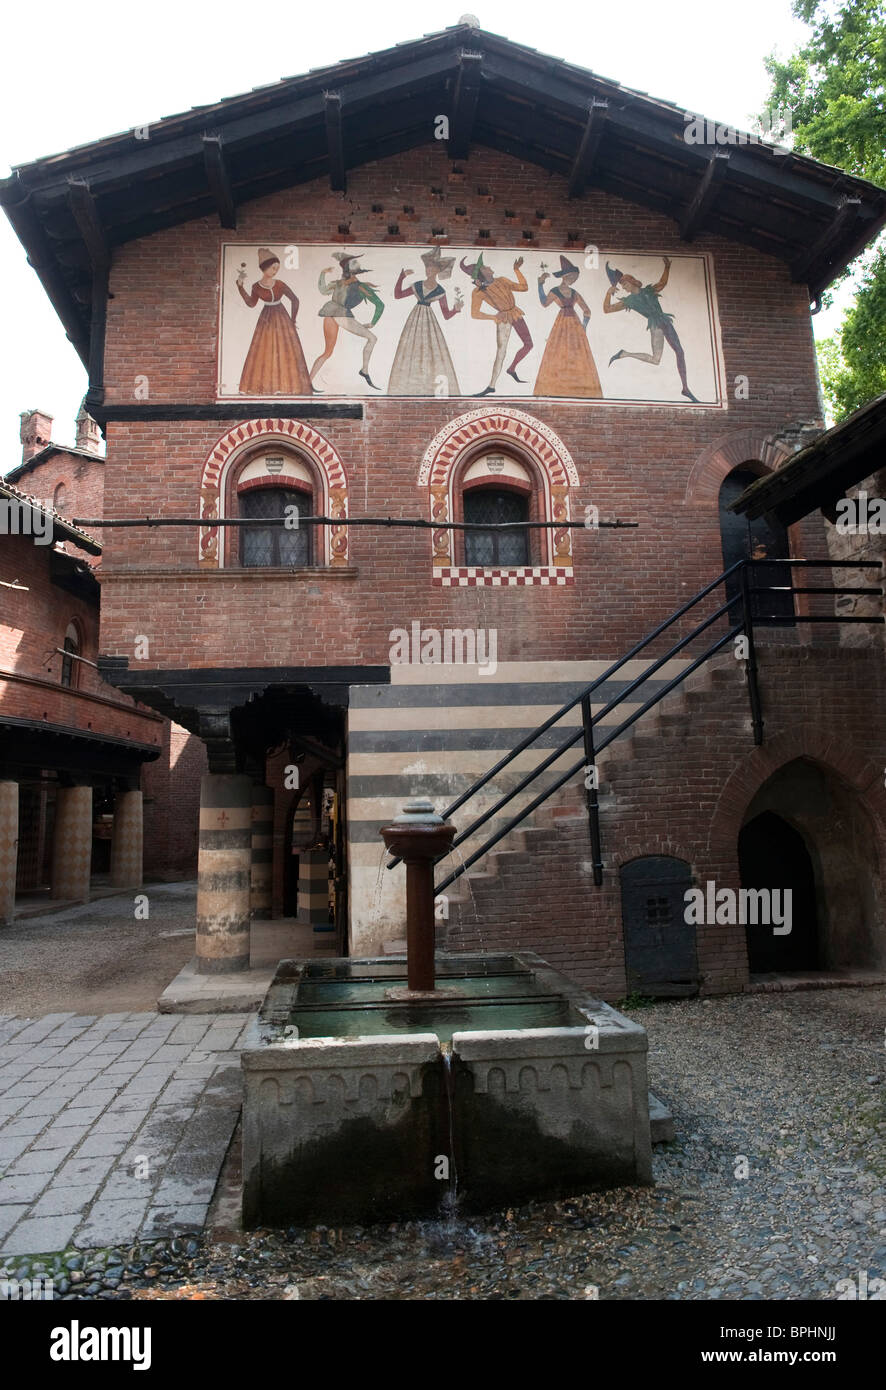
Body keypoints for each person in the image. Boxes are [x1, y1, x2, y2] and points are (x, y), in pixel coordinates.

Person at [603, 257, 698, 402]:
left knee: (680, 351)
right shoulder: (630, 301)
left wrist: (667, 267)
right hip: (656, 326)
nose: (624, 288)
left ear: (632, 281)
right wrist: (608, 293)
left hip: (665, 321)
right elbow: (607, 309)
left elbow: (662, 283)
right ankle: (625, 353)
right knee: (655, 360)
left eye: (625, 284)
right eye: (622, 286)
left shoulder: (649, 291)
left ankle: (685, 388)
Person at [235, 248, 312, 395]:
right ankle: (266, 387)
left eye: (277, 268)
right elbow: (251, 303)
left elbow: (295, 300)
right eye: (273, 268)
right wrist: (240, 288)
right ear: (264, 268)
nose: (275, 271)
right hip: (266, 320)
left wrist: (293, 320)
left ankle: (288, 387)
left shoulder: (279, 284)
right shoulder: (256, 287)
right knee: (264, 352)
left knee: (286, 352)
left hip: (282, 318)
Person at [388, 247, 462, 395]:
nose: (428, 270)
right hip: (415, 319)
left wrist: (456, 309)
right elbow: (398, 295)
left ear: (437, 271)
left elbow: (446, 314)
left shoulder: (440, 291)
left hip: (429, 321)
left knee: (432, 350)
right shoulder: (418, 284)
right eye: (427, 268)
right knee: (409, 349)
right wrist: (401, 277)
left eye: (431, 268)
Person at [309, 251, 384, 390]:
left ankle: (308, 381)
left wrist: (323, 273)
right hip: (341, 315)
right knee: (372, 338)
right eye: (354, 262)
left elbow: (323, 290)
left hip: (329, 314)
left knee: (328, 352)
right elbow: (380, 305)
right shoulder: (360, 286)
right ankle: (364, 370)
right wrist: (373, 323)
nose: (357, 264)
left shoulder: (340, 284)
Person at [461, 253, 533, 395]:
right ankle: (491, 386)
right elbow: (474, 314)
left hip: (515, 313)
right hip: (504, 318)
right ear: (482, 272)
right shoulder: (478, 292)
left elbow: (524, 287)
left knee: (529, 344)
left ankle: (511, 369)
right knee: (501, 352)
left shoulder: (502, 280)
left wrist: (517, 270)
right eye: (485, 267)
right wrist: (493, 316)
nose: (489, 267)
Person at [534, 255, 602, 397]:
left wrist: (584, 326)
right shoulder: (558, 291)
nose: (572, 280)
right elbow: (544, 303)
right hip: (567, 324)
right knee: (560, 352)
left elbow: (587, 311)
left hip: (571, 325)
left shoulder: (572, 292)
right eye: (571, 277)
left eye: (574, 277)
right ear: (564, 276)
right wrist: (540, 285)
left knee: (574, 353)